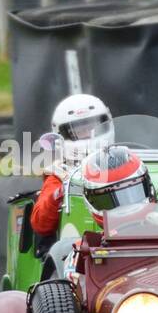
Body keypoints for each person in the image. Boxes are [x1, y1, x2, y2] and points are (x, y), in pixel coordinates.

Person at [29, 93, 115, 249]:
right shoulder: (60, 173)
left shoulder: (124, 159)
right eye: (80, 131)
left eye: (94, 128)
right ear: (60, 135)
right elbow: (40, 224)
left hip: (123, 236)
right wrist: (61, 192)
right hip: (78, 250)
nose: (89, 134)